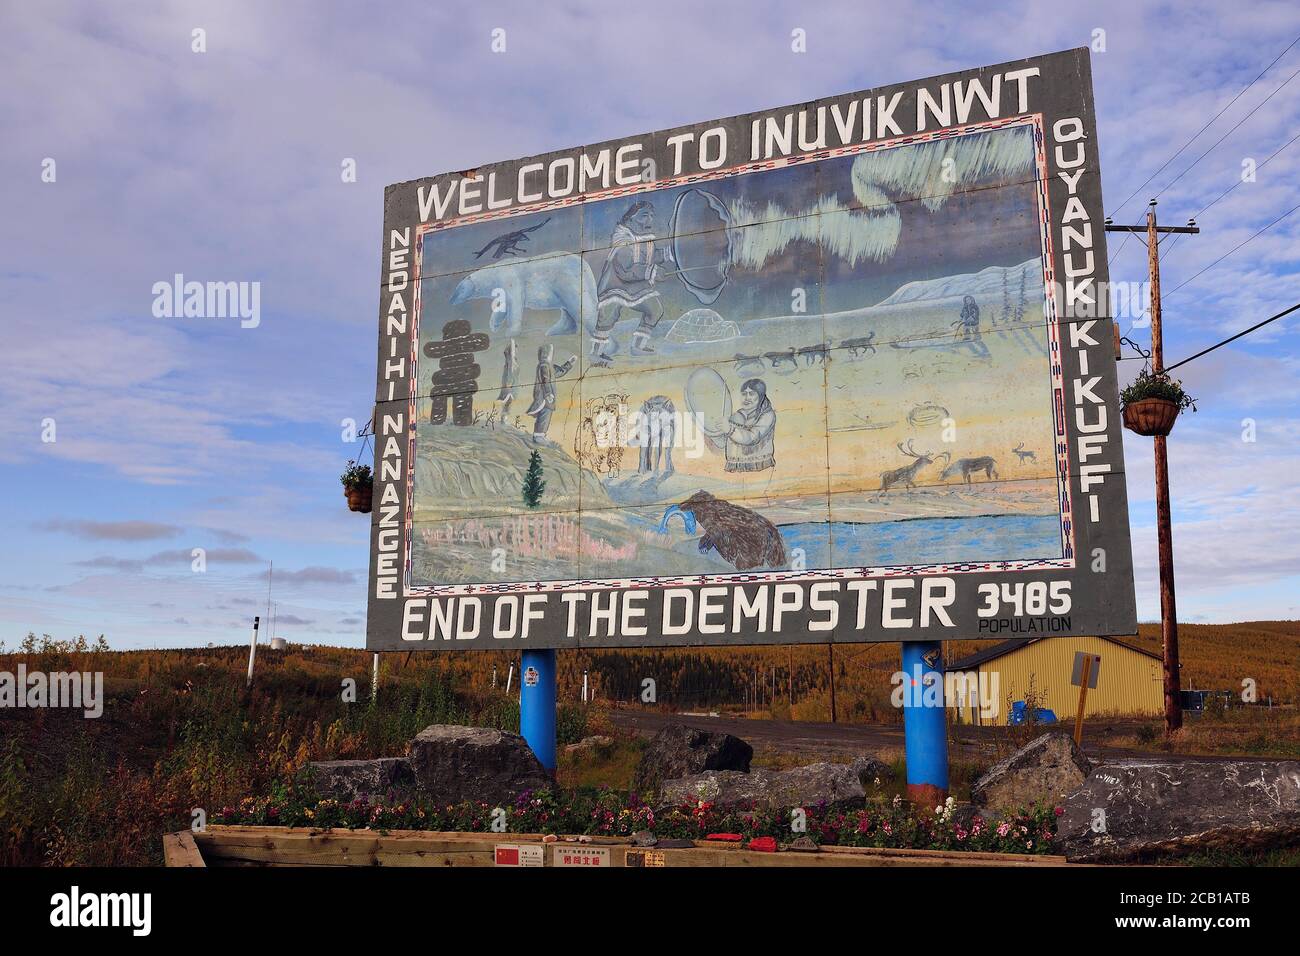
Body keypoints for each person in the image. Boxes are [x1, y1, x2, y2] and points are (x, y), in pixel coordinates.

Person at [592, 201, 674, 366]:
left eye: (651, 216)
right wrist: (652, 272)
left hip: (637, 286)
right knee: (608, 316)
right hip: (616, 285)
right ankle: (596, 354)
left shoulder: (646, 240)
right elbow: (626, 268)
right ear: (630, 220)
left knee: (655, 309)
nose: (649, 219)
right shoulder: (623, 241)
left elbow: (651, 257)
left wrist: (670, 253)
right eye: (644, 215)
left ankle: (637, 347)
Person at [525, 344, 575, 445]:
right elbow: (545, 379)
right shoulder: (544, 365)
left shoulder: (549, 366)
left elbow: (559, 372)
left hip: (547, 397)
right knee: (544, 414)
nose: (551, 354)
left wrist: (569, 363)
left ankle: (541, 435)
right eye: (551, 352)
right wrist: (548, 393)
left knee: (546, 413)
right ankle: (538, 435)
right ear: (547, 353)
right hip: (544, 397)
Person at [724, 379, 776, 473]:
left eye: (751, 394)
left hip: (760, 468)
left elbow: (752, 437)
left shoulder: (767, 415)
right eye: (744, 394)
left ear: (760, 396)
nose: (747, 398)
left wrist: (730, 430)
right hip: (736, 468)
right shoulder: (737, 415)